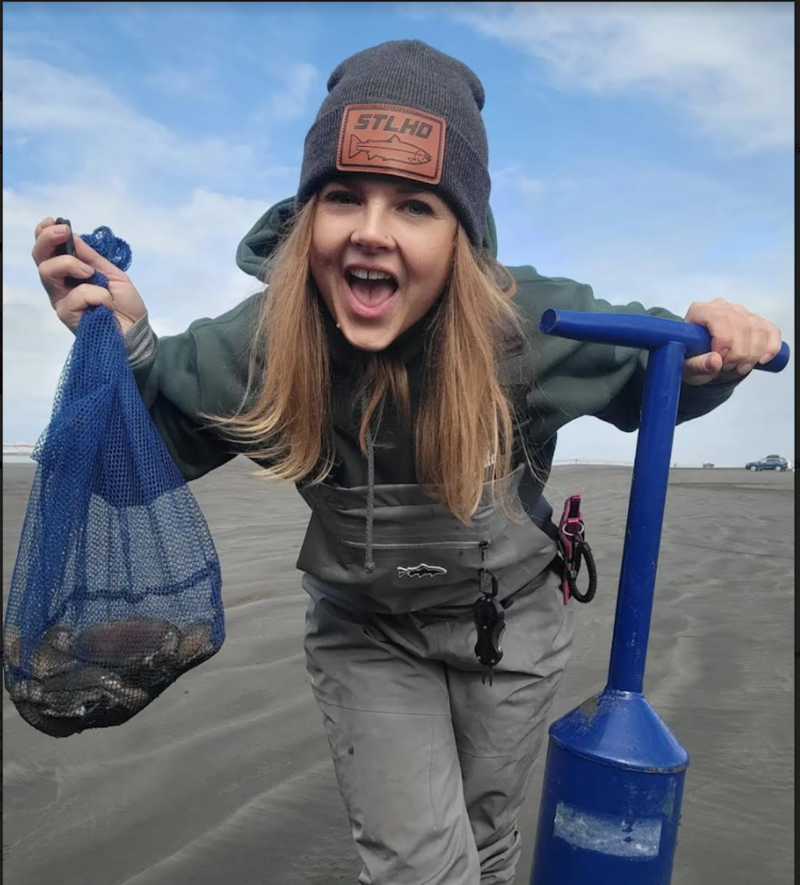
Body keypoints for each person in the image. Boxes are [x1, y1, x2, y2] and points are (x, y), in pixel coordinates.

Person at [31, 40, 782, 885]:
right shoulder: (264, 340)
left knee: (488, 843)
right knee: (421, 867)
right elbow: (152, 453)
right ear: (308, 212)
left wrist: (719, 350)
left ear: (461, 231)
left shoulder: (529, 323)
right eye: (343, 195)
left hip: (513, 629)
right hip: (368, 630)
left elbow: (658, 375)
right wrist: (128, 346)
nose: (372, 233)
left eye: (416, 206)